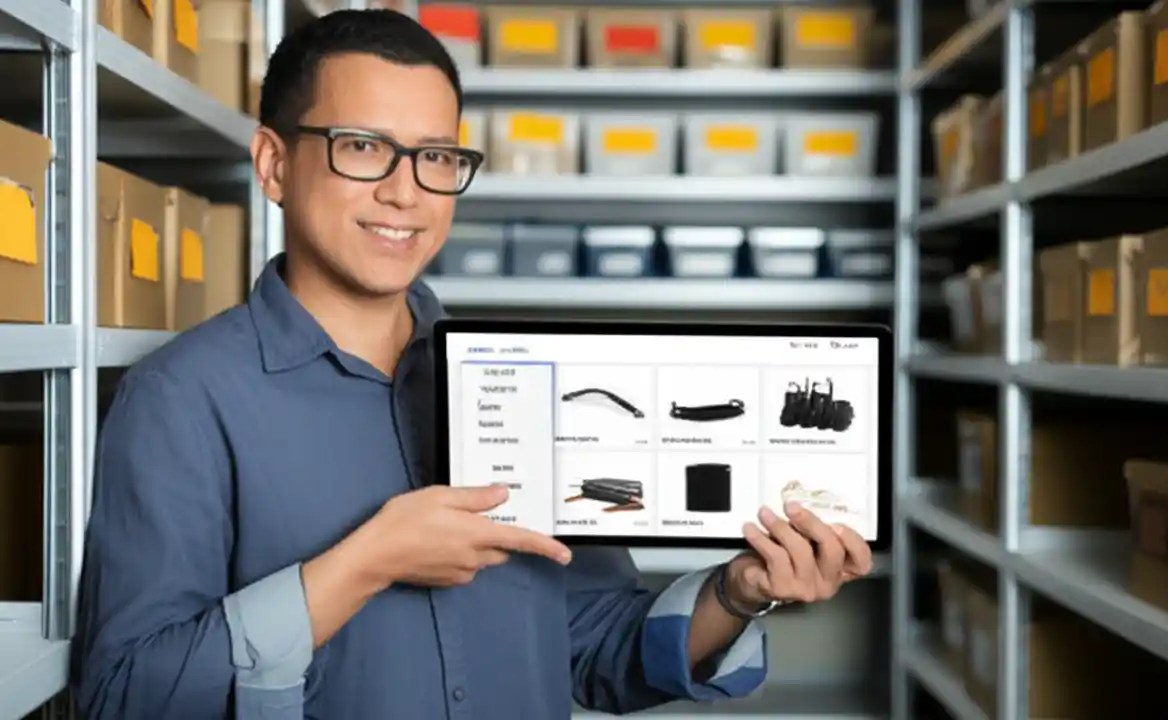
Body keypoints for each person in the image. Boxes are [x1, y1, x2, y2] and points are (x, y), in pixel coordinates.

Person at [71, 9, 874, 719]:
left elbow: (599, 648)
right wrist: (363, 564)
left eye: (437, 157)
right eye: (362, 148)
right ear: (275, 164)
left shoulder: (523, 381)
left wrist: (738, 593)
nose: (406, 193)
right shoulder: (183, 398)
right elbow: (124, 696)